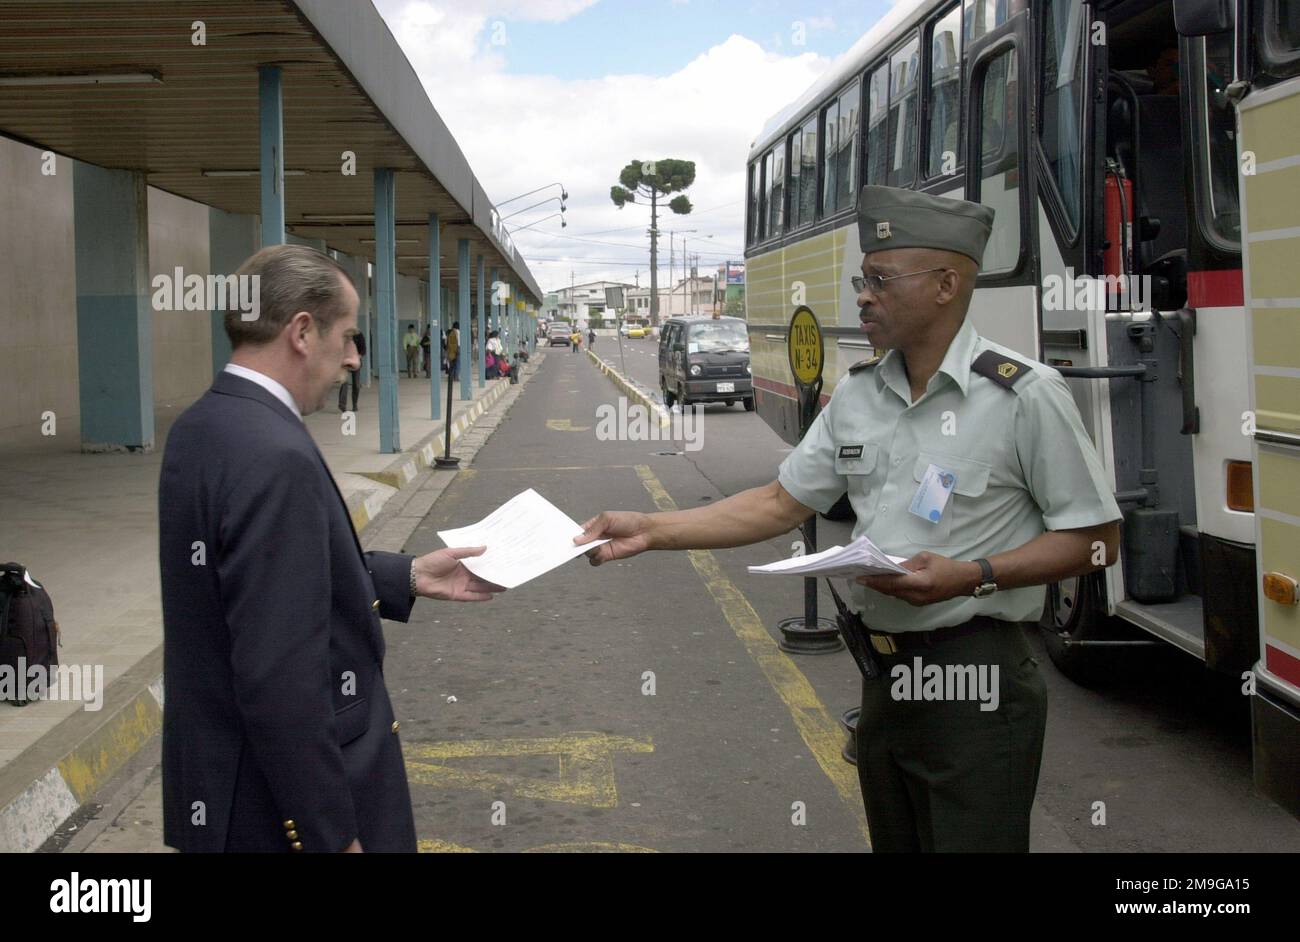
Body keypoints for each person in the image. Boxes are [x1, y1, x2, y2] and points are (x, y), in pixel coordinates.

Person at [575, 186, 1122, 853]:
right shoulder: (860, 393)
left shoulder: (1024, 394)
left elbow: (1096, 542)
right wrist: (652, 528)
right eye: (863, 279)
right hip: (885, 678)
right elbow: (780, 503)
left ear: (948, 283)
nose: (863, 295)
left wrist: (972, 574)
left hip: (976, 680)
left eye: (882, 280)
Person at [158, 245, 505, 853]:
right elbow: (278, 677)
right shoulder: (276, 454)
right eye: (346, 336)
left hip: (221, 793)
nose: (351, 357)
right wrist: (330, 834)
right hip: (276, 816)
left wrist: (411, 576)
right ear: (300, 331)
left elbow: (252, 591)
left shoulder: (203, 426)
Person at [337, 328, 365, 413]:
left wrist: (357, 357)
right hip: (345, 362)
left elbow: (363, 349)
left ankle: (354, 404)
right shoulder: (343, 336)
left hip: (355, 362)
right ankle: (342, 405)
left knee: (356, 384)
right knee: (344, 383)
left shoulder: (359, 335)